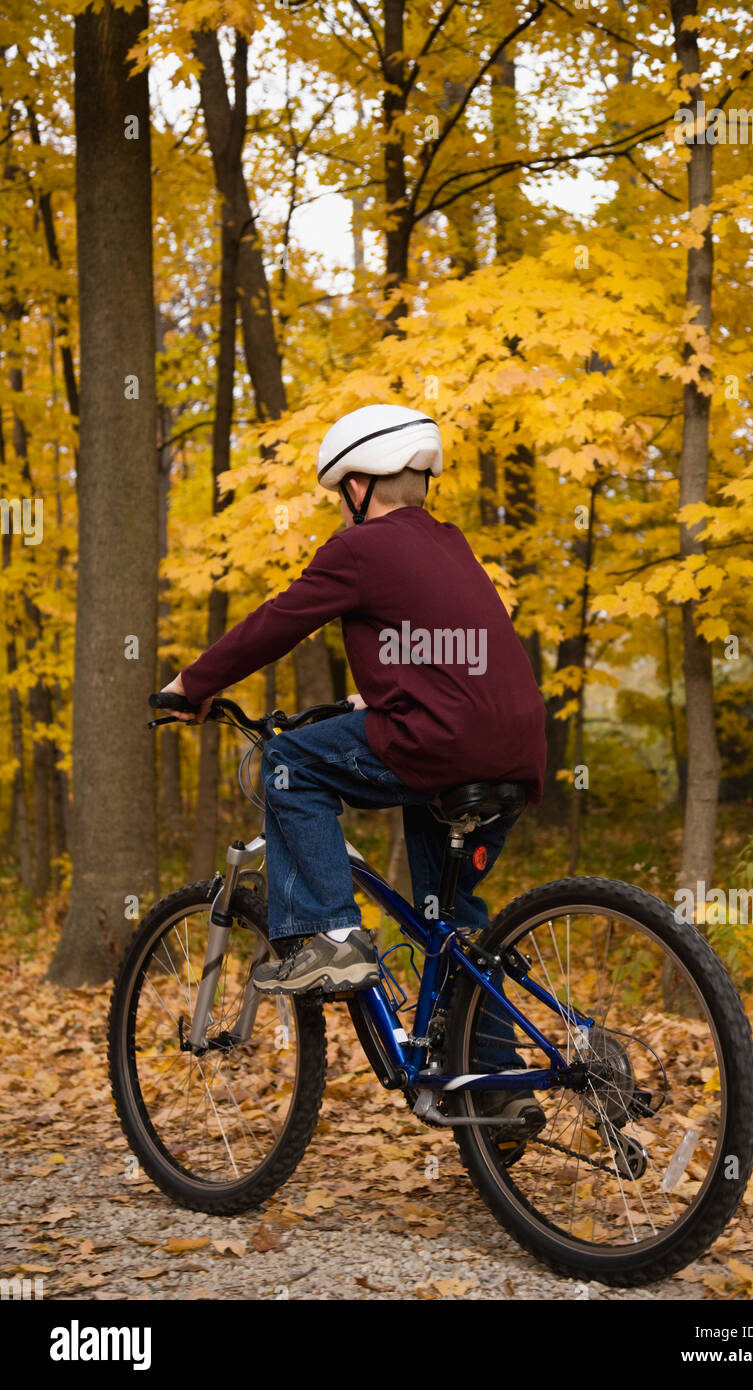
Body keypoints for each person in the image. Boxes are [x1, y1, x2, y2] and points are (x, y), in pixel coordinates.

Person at [160, 404, 547, 1131]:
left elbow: (278, 620)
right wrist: (368, 694)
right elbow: (449, 648)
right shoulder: (449, 545)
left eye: (342, 495)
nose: (343, 508)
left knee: (287, 764)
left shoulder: (360, 548)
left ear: (359, 485)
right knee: (452, 920)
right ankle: (495, 1083)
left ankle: (334, 936)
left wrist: (193, 684)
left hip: (438, 742)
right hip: (514, 747)